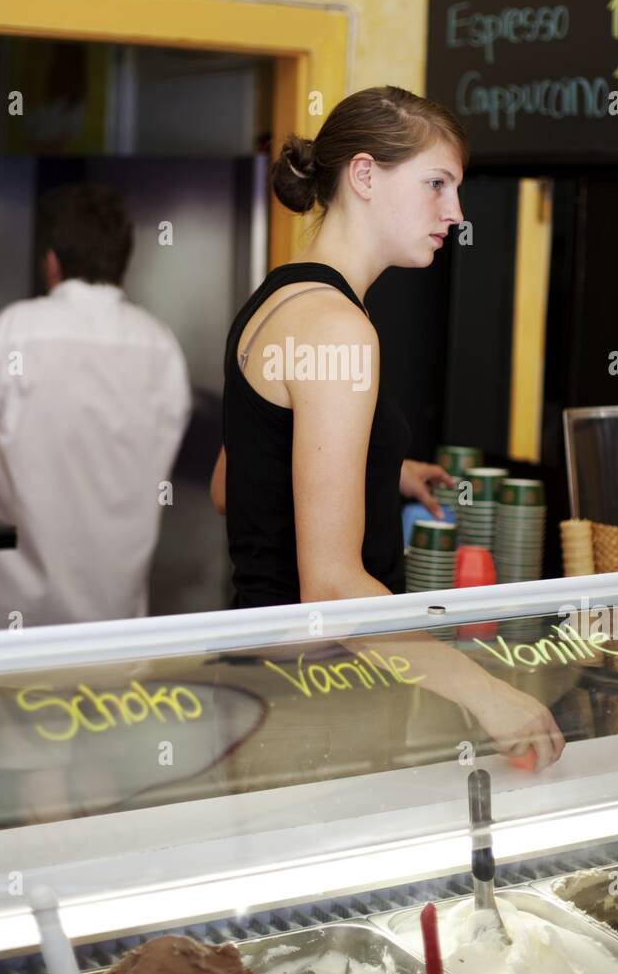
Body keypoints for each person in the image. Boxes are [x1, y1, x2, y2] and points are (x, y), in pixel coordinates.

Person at [210, 85, 564, 770]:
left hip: (262, 683)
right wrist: (491, 696)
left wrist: (380, 469)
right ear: (365, 175)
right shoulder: (339, 325)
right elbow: (335, 590)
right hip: (317, 703)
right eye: (437, 184)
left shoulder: (279, 298)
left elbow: (234, 482)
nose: (455, 213)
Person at [0, 183, 192, 630]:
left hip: (13, 621)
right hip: (115, 621)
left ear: (51, 261)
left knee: (2, 704)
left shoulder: (15, 331)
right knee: (109, 701)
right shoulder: (161, 348)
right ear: (122, 262)